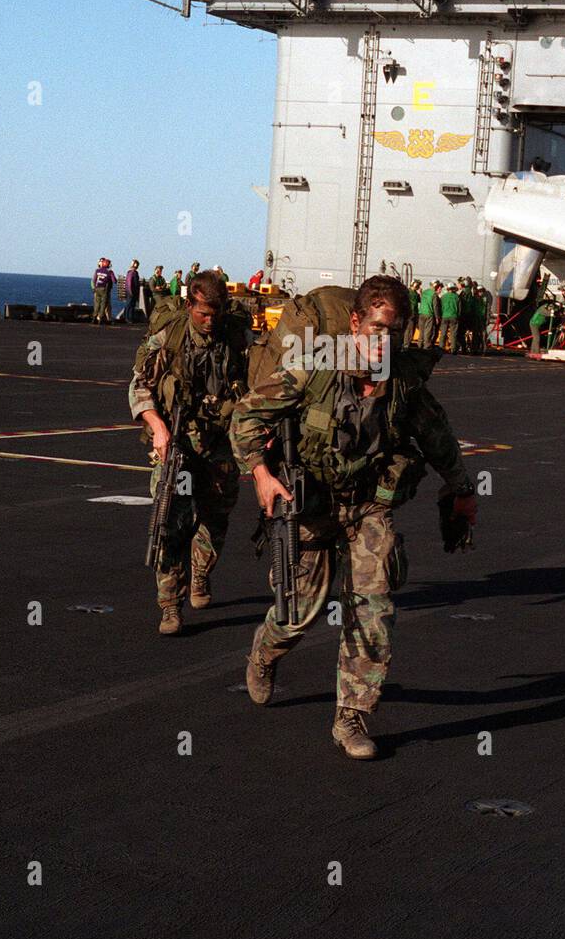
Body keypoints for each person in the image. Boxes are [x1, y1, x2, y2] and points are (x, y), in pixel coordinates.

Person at [230, 275, 478, 761]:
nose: (386, 341)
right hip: (313, 504)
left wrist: (463, 491)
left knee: (373, 608)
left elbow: (438, 438)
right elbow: (246, 417)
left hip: (368, 505)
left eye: (396, 331)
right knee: (298, 613)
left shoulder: (402, 381)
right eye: (379, 329)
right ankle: (266, 650)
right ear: (355, 323)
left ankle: (352, 716)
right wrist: (260, 475)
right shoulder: (312, 369)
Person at [130, 271, 252, 636]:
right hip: (178, 440)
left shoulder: (236, 336)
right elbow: (140, 384)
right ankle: (170, 605)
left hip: (220, 441)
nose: (209, 321)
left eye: (216, 314)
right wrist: (158, 427)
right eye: (202, 314)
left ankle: (201, 572)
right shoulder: (170, 335)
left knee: (216, 520)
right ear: (189, 306)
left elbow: (257, 384)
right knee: (170, 522)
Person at [91, 258, 117, 326]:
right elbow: (114, 281)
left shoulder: (97, 270)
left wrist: (94, 288)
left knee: (97, 304)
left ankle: (94, 318)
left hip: (97, 289)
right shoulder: (109, 272)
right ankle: (100, 318)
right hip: (104, 289)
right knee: (103, 305)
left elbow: (94, 280)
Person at [417, 280, 441, 349]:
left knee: (421, 331)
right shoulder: (434, 294)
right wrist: (437, 317)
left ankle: (419, 346)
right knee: (428, 332)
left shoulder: (424, 292)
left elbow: (421, 300)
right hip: (429, 314)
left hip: (421, 313)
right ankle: (426, 347)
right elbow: (435, 306)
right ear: (435, 286)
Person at [438, 283, 460, 353]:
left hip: (444, 316)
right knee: (453, 334)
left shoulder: (443, 297)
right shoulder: (457, 297)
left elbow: (440, 307)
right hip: (454, 317)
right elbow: (459, 309)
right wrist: (458, 316)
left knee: (443, 333)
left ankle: (441, 348)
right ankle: (453, 350)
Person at [123, 260, 141, 325]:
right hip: (131, 291)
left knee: (131, 305)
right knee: (129, 305)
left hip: (132, 291)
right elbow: (130, 282)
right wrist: (131, 291)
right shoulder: (132, 273)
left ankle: (129, 318)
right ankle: (127, 318)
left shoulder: (132, 272)